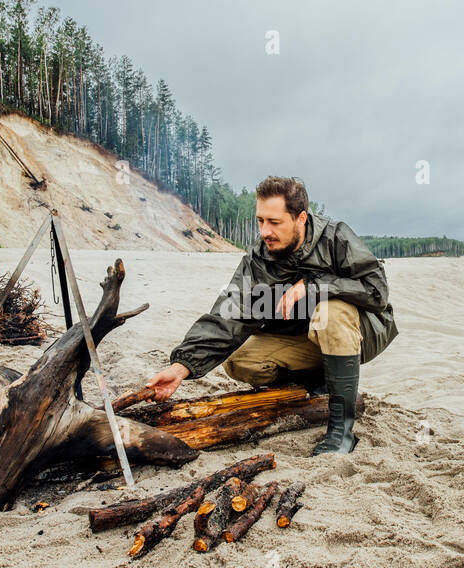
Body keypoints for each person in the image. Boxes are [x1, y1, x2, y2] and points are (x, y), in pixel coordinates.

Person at [146, 176, 398, 454]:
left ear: (301, 218)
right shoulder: (259, 258)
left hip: (363, 334)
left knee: (331, 311)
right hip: (306, 339)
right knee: (241, 361)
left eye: (274, 222)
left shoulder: (335, 237)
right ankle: (319, 383)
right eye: (260, 221)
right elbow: (229, 313)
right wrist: (181, 366)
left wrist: (315, 286)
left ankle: (341, 434)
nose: (265, 231)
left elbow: (377, 291)